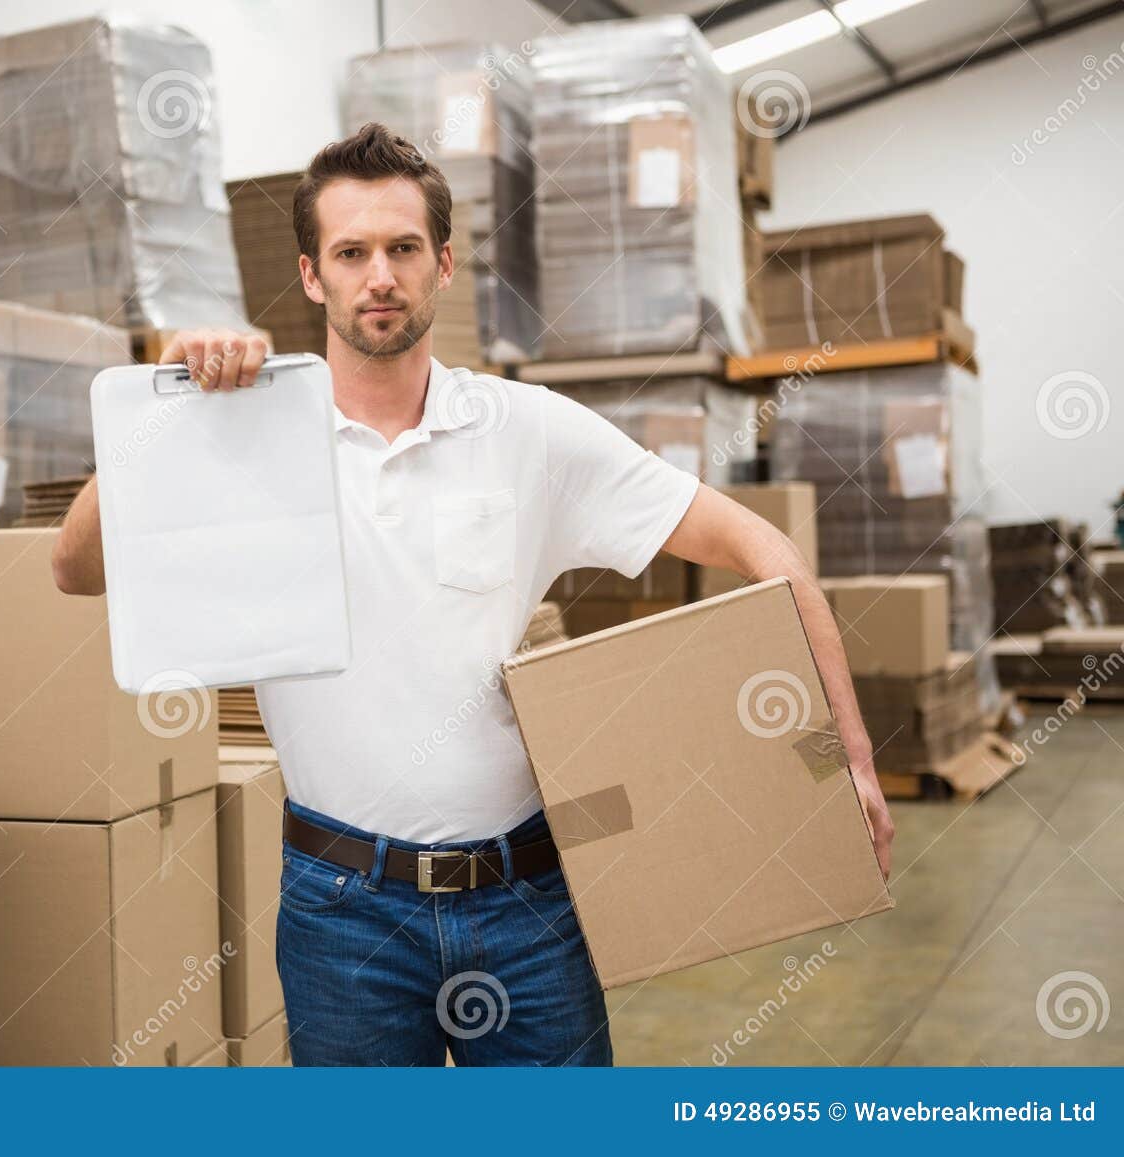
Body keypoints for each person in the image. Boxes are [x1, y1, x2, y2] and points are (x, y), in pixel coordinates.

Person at [51, 122, 893, 1067]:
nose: (380, 276)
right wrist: (168, 411)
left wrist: (851, 758)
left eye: (404, 248)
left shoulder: (526, 432)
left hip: (528, 904)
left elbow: (763, 547)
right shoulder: (241, 440)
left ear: (444, 263)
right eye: (352, 253)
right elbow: (75, 569)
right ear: (311, 275)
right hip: (343, 917)